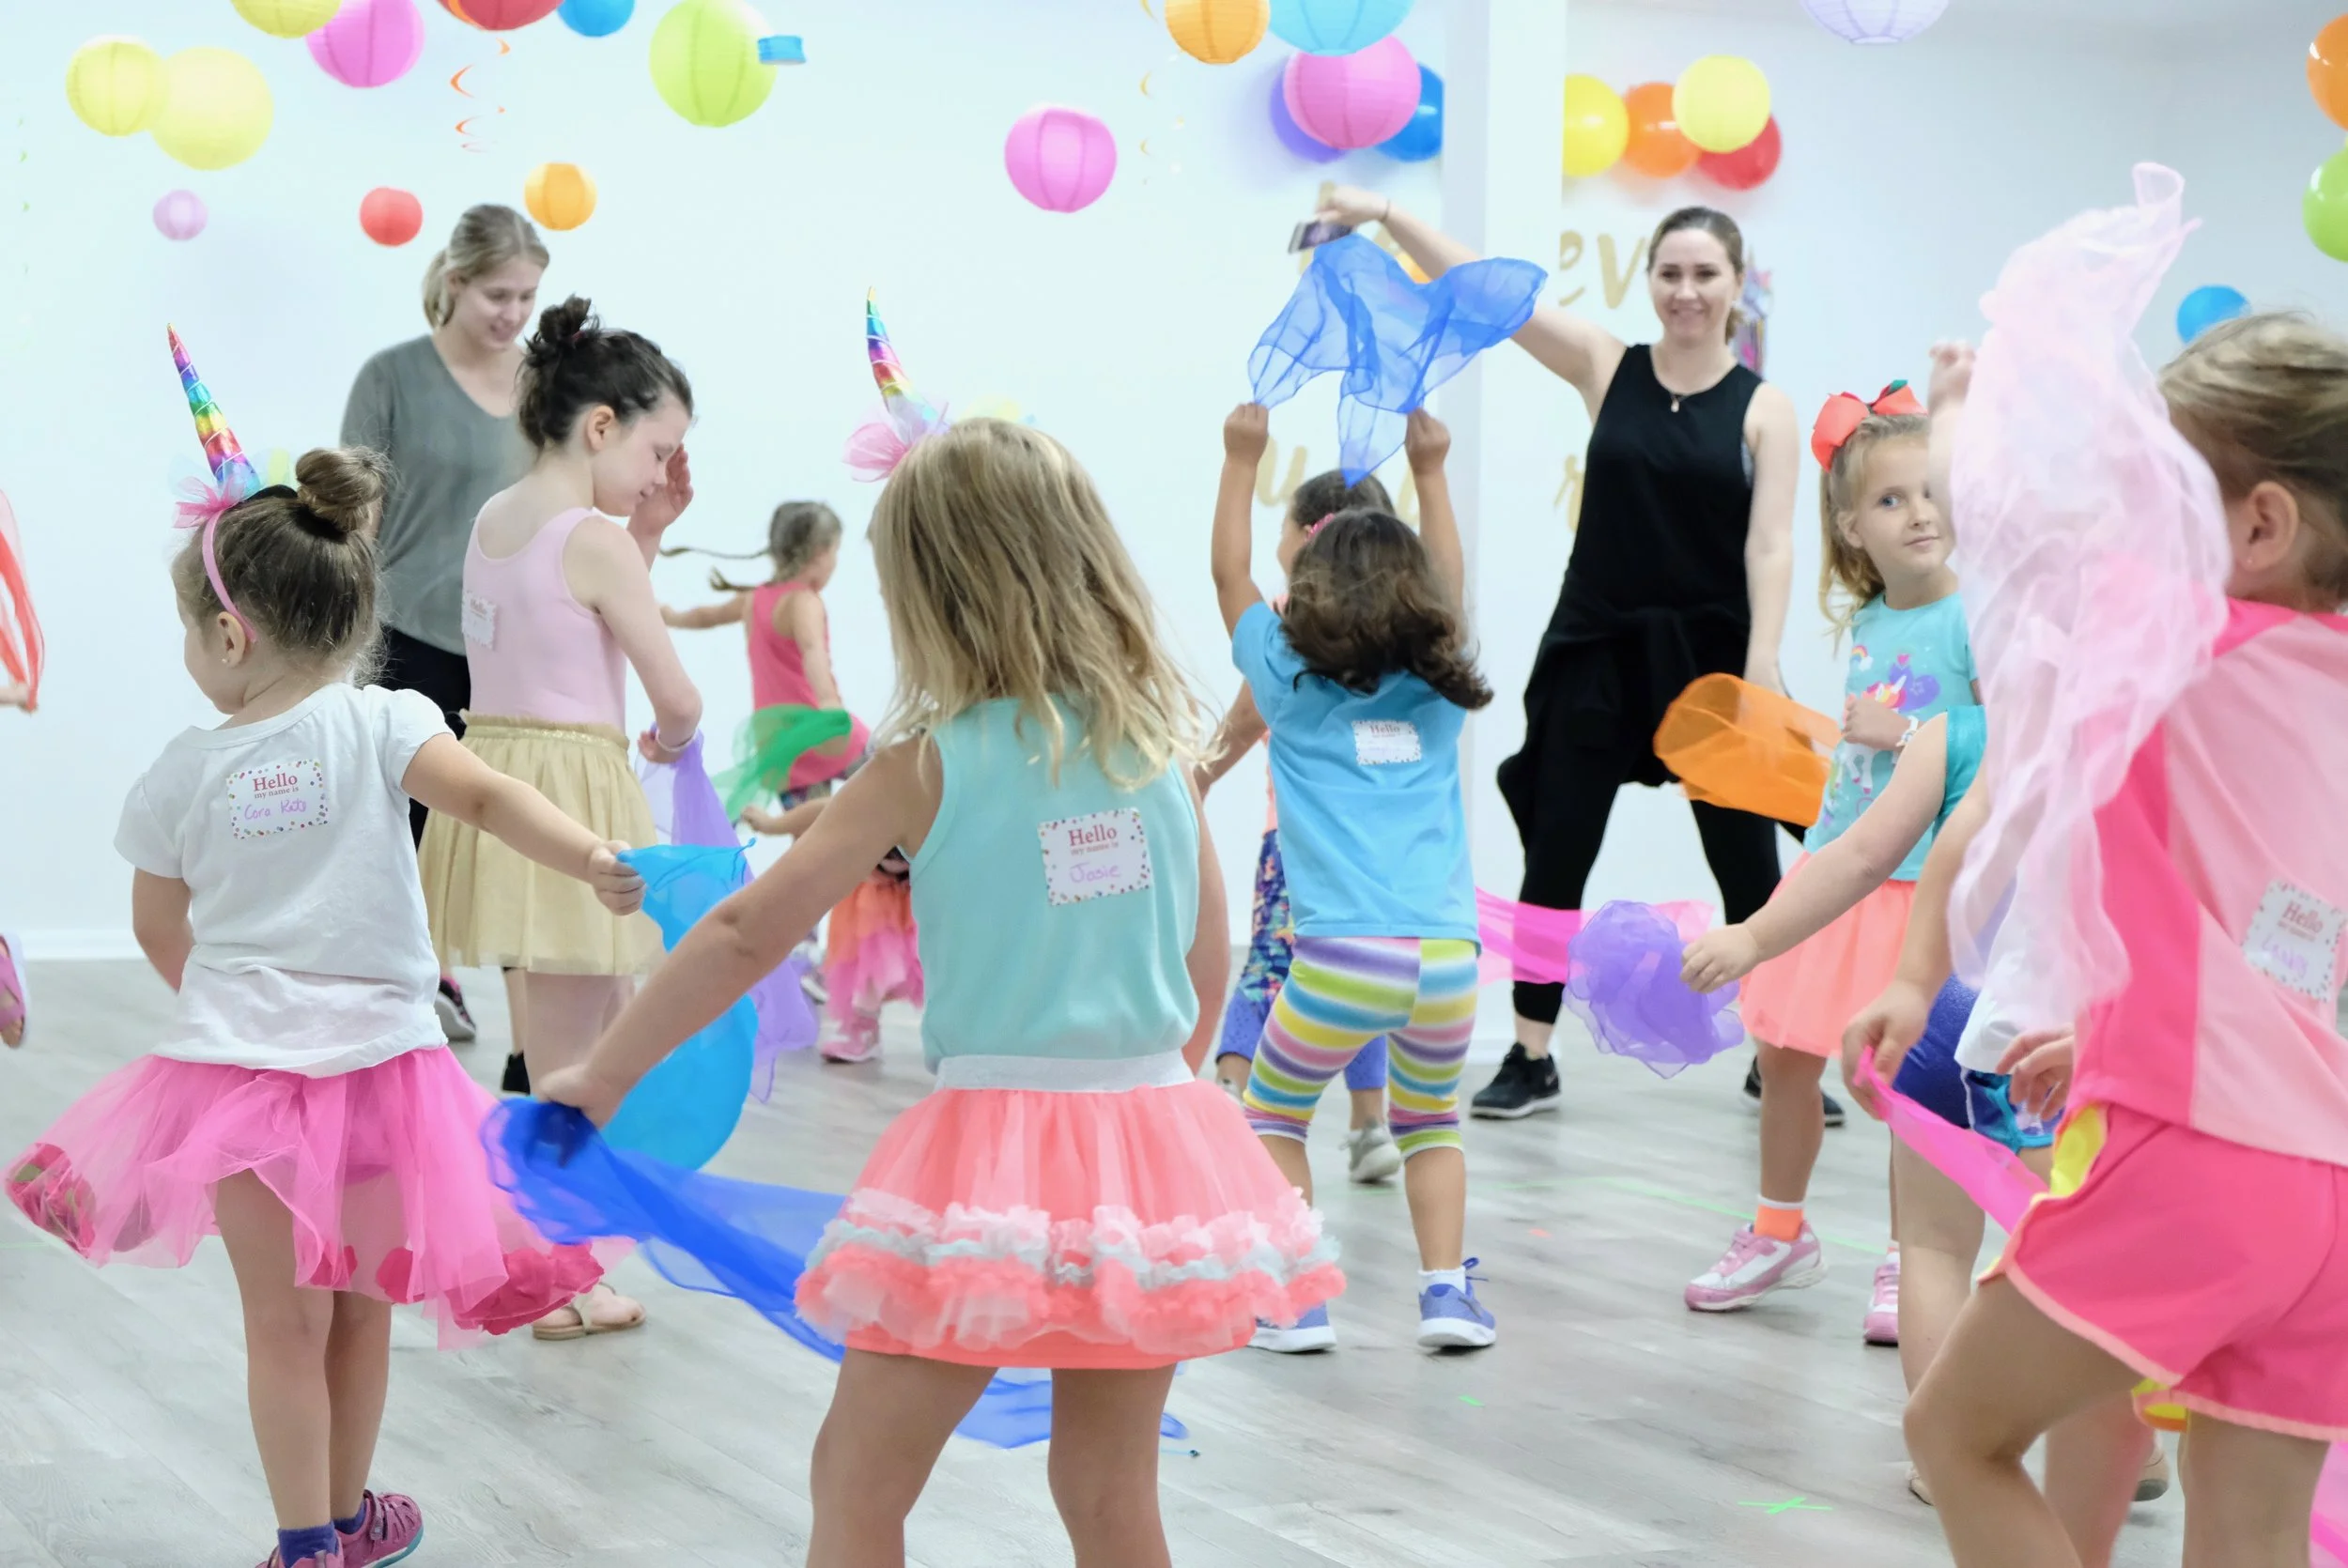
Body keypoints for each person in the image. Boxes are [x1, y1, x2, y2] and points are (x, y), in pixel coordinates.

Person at [533, 418, 1336, 1568]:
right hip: (1154, 1141)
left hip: (993, 1157)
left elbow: (753, 926)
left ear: (933, 587)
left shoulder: (926, 758)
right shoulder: (1154, 748)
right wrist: (1162, 1094)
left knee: (857, 1478)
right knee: (1109, 1492)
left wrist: (603, 1072)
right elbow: (1208, 951)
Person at [4, 448, 641, 1568]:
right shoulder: (386, 723)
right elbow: (490, 795)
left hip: (245, 1086)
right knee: (358, 1309)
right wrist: (590, 851)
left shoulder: (179, 772)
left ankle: (303, 1541)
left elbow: (161, 928)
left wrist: (228, 1018)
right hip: (384, 1077)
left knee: (280, 1322)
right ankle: (349, 1517)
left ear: (230, 635)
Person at [1886, 300, 2348, 1567]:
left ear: (2258, 525)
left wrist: (1964, 415)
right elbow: (2256, 910)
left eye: (2160, 493)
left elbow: (2019, 552)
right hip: (2322, 1178)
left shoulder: (2186, 643)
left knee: (1958, 1434)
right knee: (2251, 1531)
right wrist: (2105, 1029)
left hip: (2196, 1155)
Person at [1314, 189, 1805, 1123]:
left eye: (1706, 274)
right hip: (1598, 642)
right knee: (1558, 845)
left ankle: (1778, 1049)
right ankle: (1532, 1051)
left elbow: (1770, 544)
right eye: (1670, 273)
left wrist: (1765, 659)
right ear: (1650, 280)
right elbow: (1487, 293)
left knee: (1745, 864)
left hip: (1711, 654)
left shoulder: (1764, 408)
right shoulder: (1604, 364)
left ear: (1737, 286)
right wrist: (1385, 213)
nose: (1686, 291)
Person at [416, 296, 701, 1339]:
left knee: (545, 1042)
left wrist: (648, 535)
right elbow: (673, 697)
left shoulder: (498, 521)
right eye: (657, 448)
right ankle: (562, 1275)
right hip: (580, 794)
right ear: (601, 427)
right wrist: (671, 747)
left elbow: (569, 628)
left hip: (501, 781)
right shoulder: (595, 537)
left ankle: (540, 1255)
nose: (660, 473)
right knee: (586, 1057)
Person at [1679, 391, 1976, 1325]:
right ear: (1851, 525)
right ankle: (1777, 1227)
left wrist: (1913, 731)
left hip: (1917, 881)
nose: (1918, 511)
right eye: (1891, 500)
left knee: (1903, 1080)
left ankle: (1907, 1252)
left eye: (1929, 491)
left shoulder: (1975, 618)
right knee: (1783, 1054)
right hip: (1837, 866)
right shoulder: (1868, 625)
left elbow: (2004, 731)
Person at [1215, 402, 1494, 1352]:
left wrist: (1238, 461)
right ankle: (1446, 1292)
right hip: (1450, 961)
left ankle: (1296, 1298)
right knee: (1431, 1123)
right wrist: (1432, 471)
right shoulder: (1442, 689)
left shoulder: (1287, 682)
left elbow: (1227, 575)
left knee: (1273, 1111)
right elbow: (1451, 588)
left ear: (1308, 582)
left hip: (1339, 959)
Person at [340, 205, 545, 1044]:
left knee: (511, 820)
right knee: (404, 823)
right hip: (406, 631)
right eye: (498, 293)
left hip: (513, 644)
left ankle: (531, 1026)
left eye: (528, 297)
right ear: (455, 282)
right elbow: (356, 513)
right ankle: (409, 984)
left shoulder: (543, 384)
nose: (513, 313)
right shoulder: (390, 377)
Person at [1196, 467, 1399, 1192]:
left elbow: (1250, 713)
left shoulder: (1288, 621)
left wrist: (1198, 775)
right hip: (1381, 849)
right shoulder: (1399, 629)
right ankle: (1370, 1124)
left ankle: (1229, 1092)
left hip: (1300, 842)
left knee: (1272, 967)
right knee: (1369, 971)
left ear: (1308, 536)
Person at [663, 500, 871, 810]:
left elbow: (709, 616)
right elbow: (813, 652)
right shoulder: (803, 602)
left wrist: (672, 616)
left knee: (810, 837)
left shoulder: (754, 599)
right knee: (888, 781)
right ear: (819, 554)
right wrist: (828, 702)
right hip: (815, 727)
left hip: (777, 742)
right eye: (835, 552)